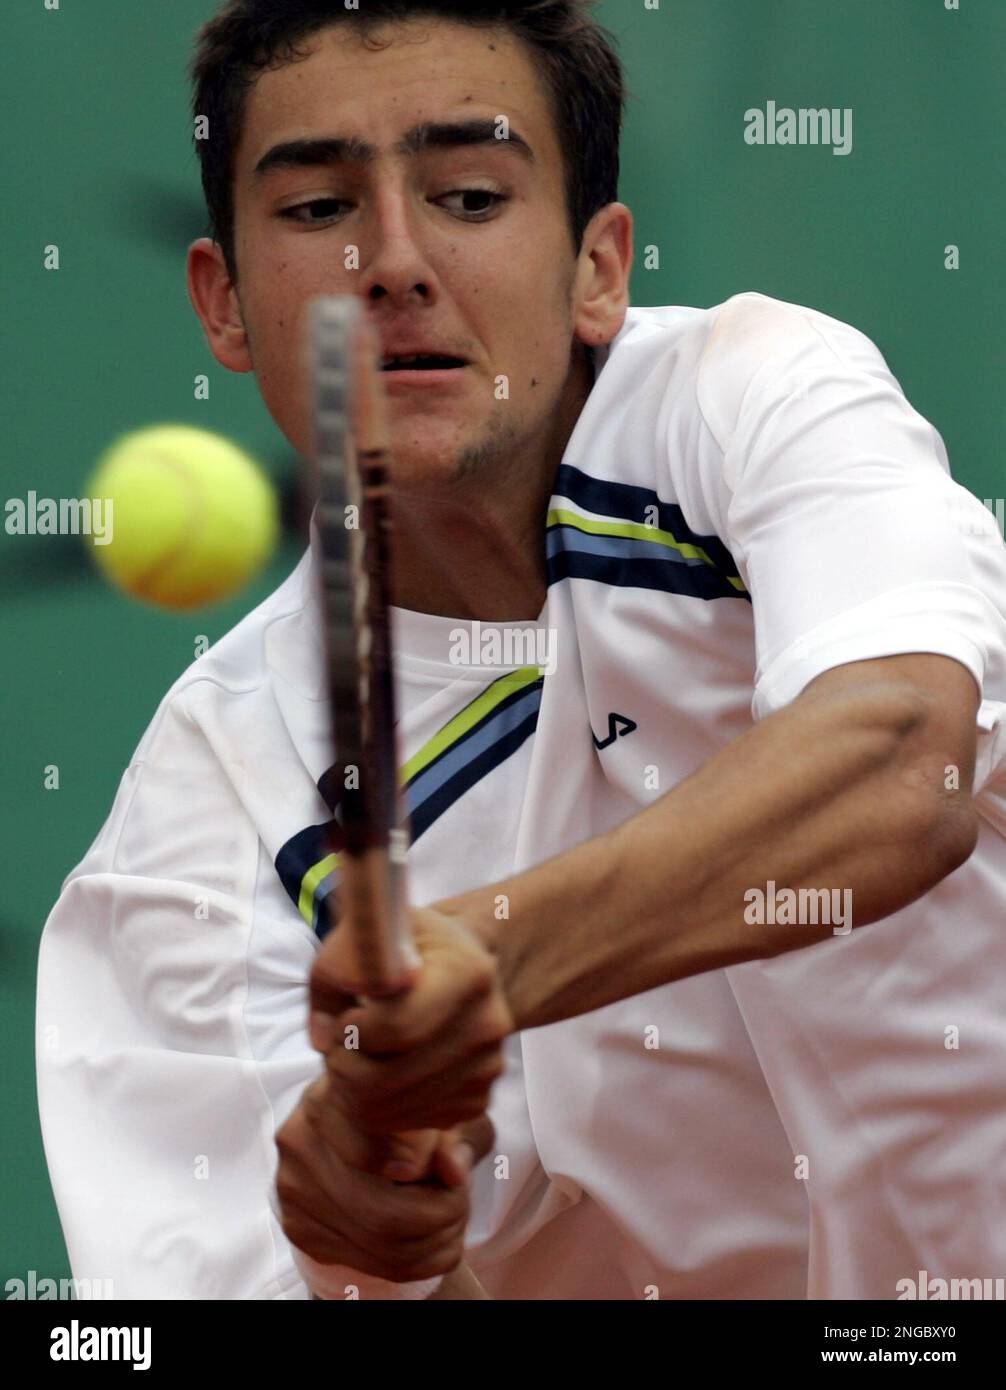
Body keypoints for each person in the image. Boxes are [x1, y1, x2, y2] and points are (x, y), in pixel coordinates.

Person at [37, 0, 1006, 1301]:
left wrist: (490, 954)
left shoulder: (754, 395)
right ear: (222, 302)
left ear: (597, 267)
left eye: (471, 194)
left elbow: (905, 759)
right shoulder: (203, 815)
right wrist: (361, 1242)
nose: (391, 259)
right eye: (318, 209)